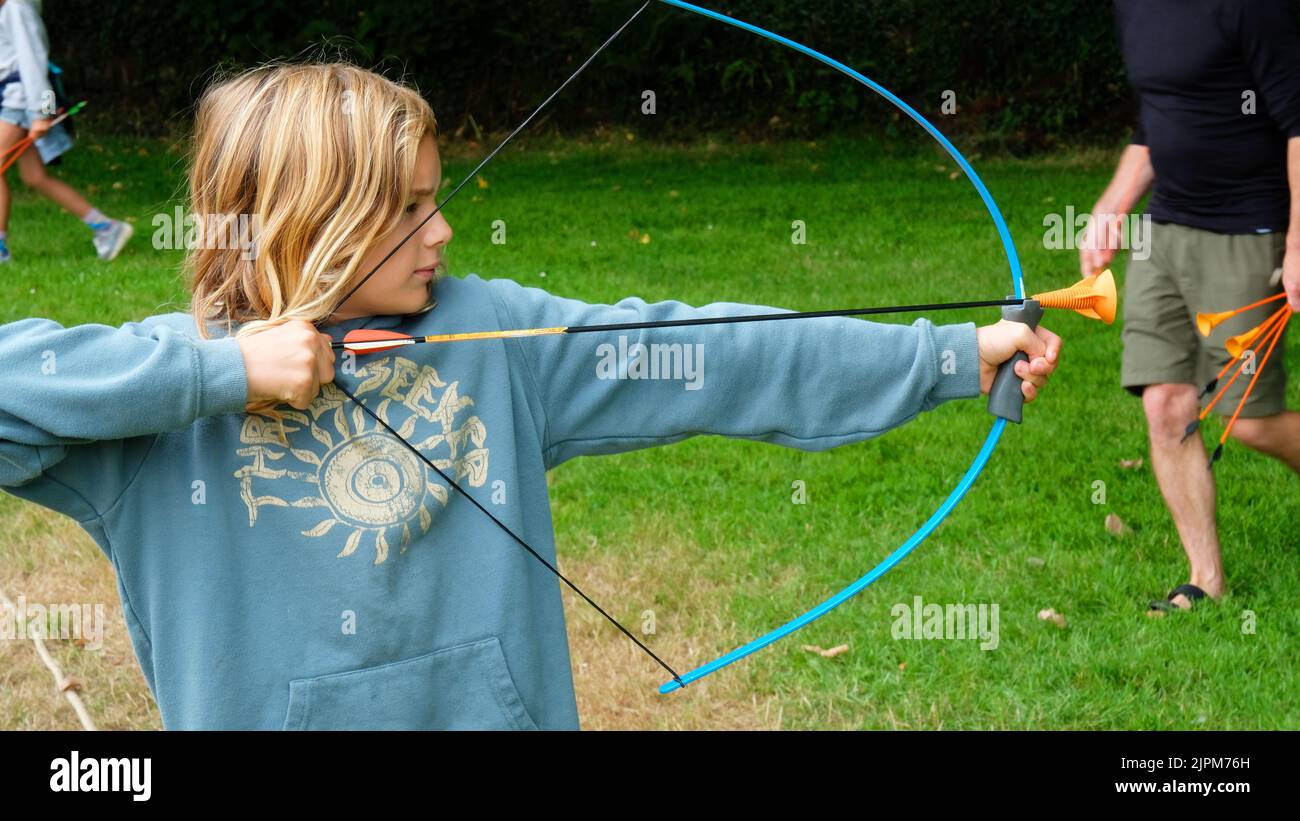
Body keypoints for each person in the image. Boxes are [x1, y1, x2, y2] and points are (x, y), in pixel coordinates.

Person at [0, 63, 1060, 729]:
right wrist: (226, 372)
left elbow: (704, 352)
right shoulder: (158, 396)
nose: (443, 232)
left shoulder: (492, 334)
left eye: (437, 202)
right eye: (408, 211)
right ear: (306, 222)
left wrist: (946, 355)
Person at [1085, 0, 1300, 613]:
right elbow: (1158, 117)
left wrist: (1298, 241)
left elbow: (1297, 122)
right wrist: (1113, 205)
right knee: (1165, 400)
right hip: (1167, 228)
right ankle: (1205, 578)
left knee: (1250, 419)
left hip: (1246, 229)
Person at [0, 0, 131, 262]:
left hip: (21, 101)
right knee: (34, 177)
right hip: (16, 99)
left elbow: (36, 60)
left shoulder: (18, 7)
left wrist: (42, 113)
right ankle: (107, 227)